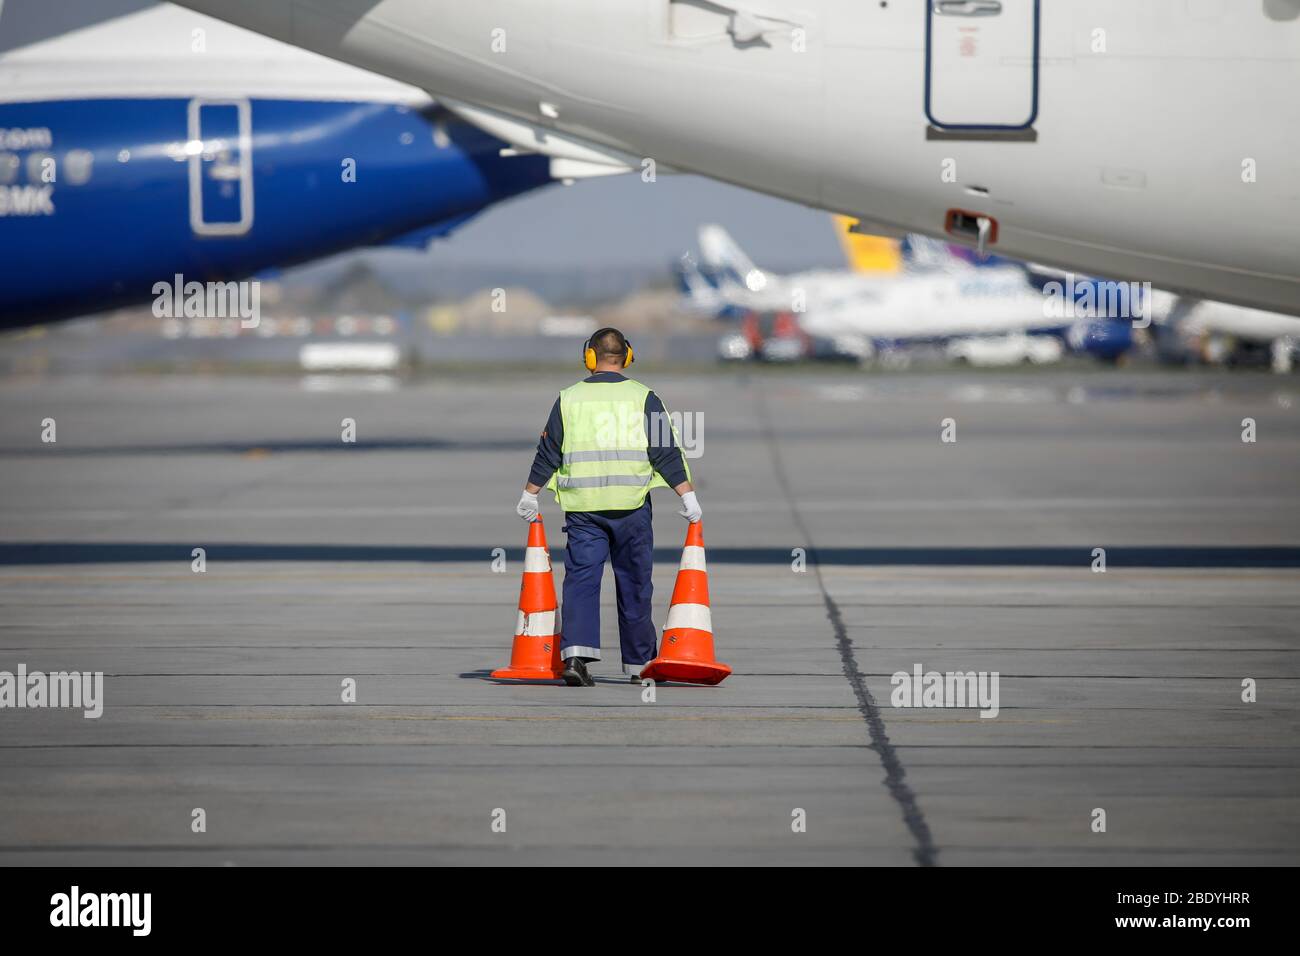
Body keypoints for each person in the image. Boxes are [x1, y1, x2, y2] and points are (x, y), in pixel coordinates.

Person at [516, 327, 700, 687]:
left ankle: (575, 658)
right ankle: (639, 665)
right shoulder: (644, 397)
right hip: (631, 508)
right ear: (627, 356)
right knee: (634, 583)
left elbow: (549, 450)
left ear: (590, 357)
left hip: (584, 510)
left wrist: (530, 493)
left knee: (581, 581)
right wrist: (687, 495)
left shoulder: (568, 398)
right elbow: (665, 452)